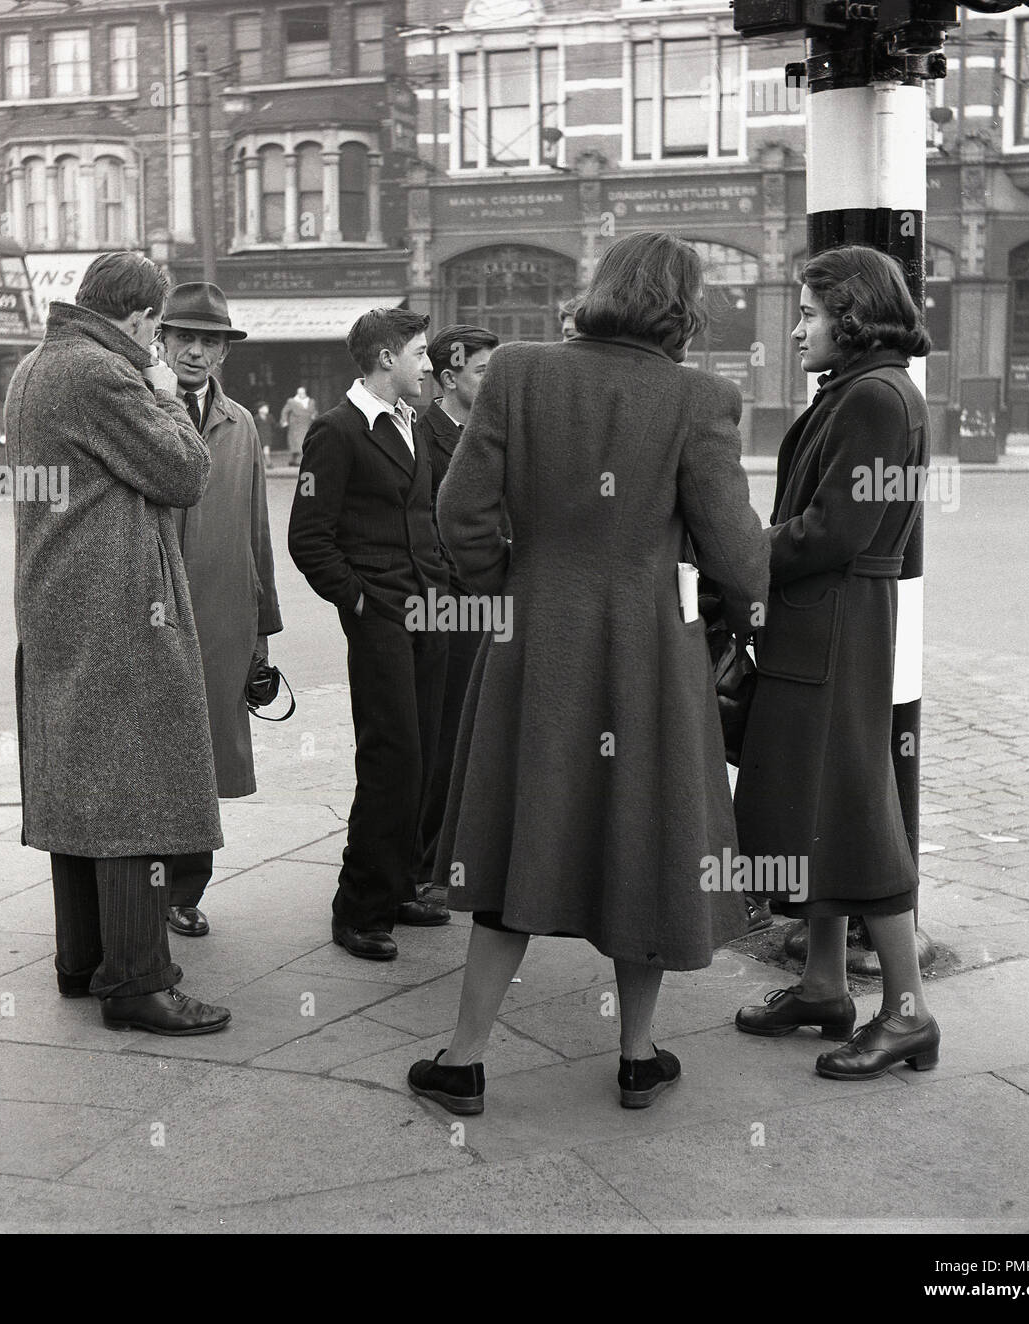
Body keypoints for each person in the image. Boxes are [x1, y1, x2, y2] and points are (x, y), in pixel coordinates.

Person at [406, 232, 769, 1115]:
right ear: (682, 311)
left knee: (512, 838)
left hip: (535, 648)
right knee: (644, 839)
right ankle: (639, 1057)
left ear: (601, 290)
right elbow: (741, 563)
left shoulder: (521, 373)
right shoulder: (699, 399)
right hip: (649, 655)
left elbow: (460, 516)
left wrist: (515, 587)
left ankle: (464, 1060)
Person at [6, 250, 230, 1036]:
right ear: (138, 318)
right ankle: (138, 980)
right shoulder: (105, 374)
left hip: (61, 601)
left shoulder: (37, 366)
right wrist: (169, 398)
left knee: (80, 784)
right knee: (137, 784)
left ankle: (84, 960)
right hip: (117, 606)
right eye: (156, 333)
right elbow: (184, 473)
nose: (163, 350)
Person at [733, 244, 940, 1080]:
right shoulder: (865, 392)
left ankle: (908, 1011)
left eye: (811, 313)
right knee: (818, 806)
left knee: (856, 809)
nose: (796, 329)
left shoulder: (876, 400)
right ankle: (823, 986)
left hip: (838, 623)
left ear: (852, 316)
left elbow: (836, 532)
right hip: (831, 622)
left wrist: (744, 552)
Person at [288, 307, 451, 961]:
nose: (428, 365)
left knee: (424, 758)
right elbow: (308, 538)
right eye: (418, 353)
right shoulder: (336, 432)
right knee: (391, 762)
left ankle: (397, 886)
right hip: (381, 619)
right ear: (387, 358)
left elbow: (424, 519)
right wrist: (359, 602)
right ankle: (357, 908)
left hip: (427, 616)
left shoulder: (410, 423)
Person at [156, 282, 283, 939]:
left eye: (210, 341)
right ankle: (141, 884)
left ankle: (185, 888)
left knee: (204, 760)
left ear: (223, 352)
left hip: (225, 616)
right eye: (186, 338)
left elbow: (257, 527)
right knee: (156, 755)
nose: (198, 351)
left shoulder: (242, 425)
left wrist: (264, 628)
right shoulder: (145, 412)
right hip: (156, 614)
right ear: (163, 341)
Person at [412, 323, 499, 906]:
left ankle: (465, 857)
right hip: (449, 607)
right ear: (448, 378)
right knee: (442, 738)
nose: (493, 382)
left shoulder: (496, 433)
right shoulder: (422, 435)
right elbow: (423, 523)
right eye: (483, 372)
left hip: (495, 603)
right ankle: (424, 867)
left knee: (483, 738)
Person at [280, 385, 317, 463]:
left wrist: (314, 415)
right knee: (298, 442)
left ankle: (293, 460)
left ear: (305, 393)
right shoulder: (292, 401)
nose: (301, 394)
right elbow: (285, 411)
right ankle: (299, 461)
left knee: (304, 441)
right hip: (296, 425)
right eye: (299, 393)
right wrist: (284, 421)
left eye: (302, 392)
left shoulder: (311, 401)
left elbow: (314, 411)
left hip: (307, 424)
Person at [254, 402, 278, 467]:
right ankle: (262, 463)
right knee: (260, 450)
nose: (267, 410)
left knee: (266, 448)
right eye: (265, 408)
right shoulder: (256, 418)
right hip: (259, 435)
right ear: (260, 410)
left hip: (267, 435)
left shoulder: (270, 417)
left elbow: (274, 425)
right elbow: (254, 427)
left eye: (267, 408)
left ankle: (268, 462)